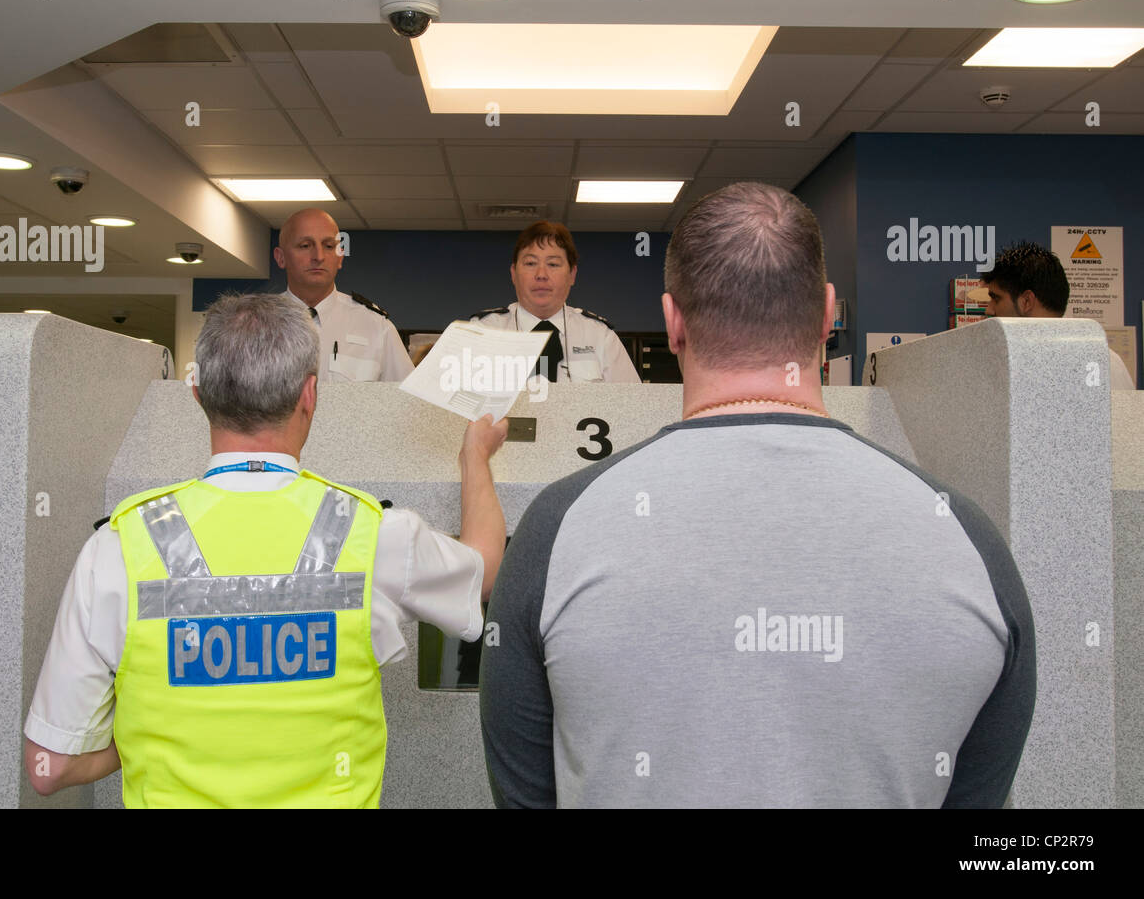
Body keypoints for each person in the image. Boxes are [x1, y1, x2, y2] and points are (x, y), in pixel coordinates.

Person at [480, 182, 1036, 808]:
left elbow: (523, 792)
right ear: (827, 314)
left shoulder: (556, 531)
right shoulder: (968, 542)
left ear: (672, 322)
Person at [24, 293, 507, 807]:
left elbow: (49, 768)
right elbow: (484, 571)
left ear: (197, 393)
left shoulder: (121, 545)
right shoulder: (368, 532)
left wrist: (149, 730)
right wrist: (475, 456)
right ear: (310, 395)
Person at [468, 220, 641, 383]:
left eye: (553, 264)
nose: (541, 274)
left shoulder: (599, 336)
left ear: (572, 275)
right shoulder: (481, 331)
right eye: (530, 263)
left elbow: (633, 406)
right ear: (513, 273)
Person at [274, 208, 414, 382]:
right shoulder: (255, 326)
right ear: (280, 258)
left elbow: (407, 403)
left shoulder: (377, 328)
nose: (318, 256)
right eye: (305, 246)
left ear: (340, 257)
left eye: (328, 246)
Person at [983, 241, 1134, 389]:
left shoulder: (1105, 363)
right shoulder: (1108, 361)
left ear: (1026, 302)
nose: (989, 310)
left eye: (996, 298)